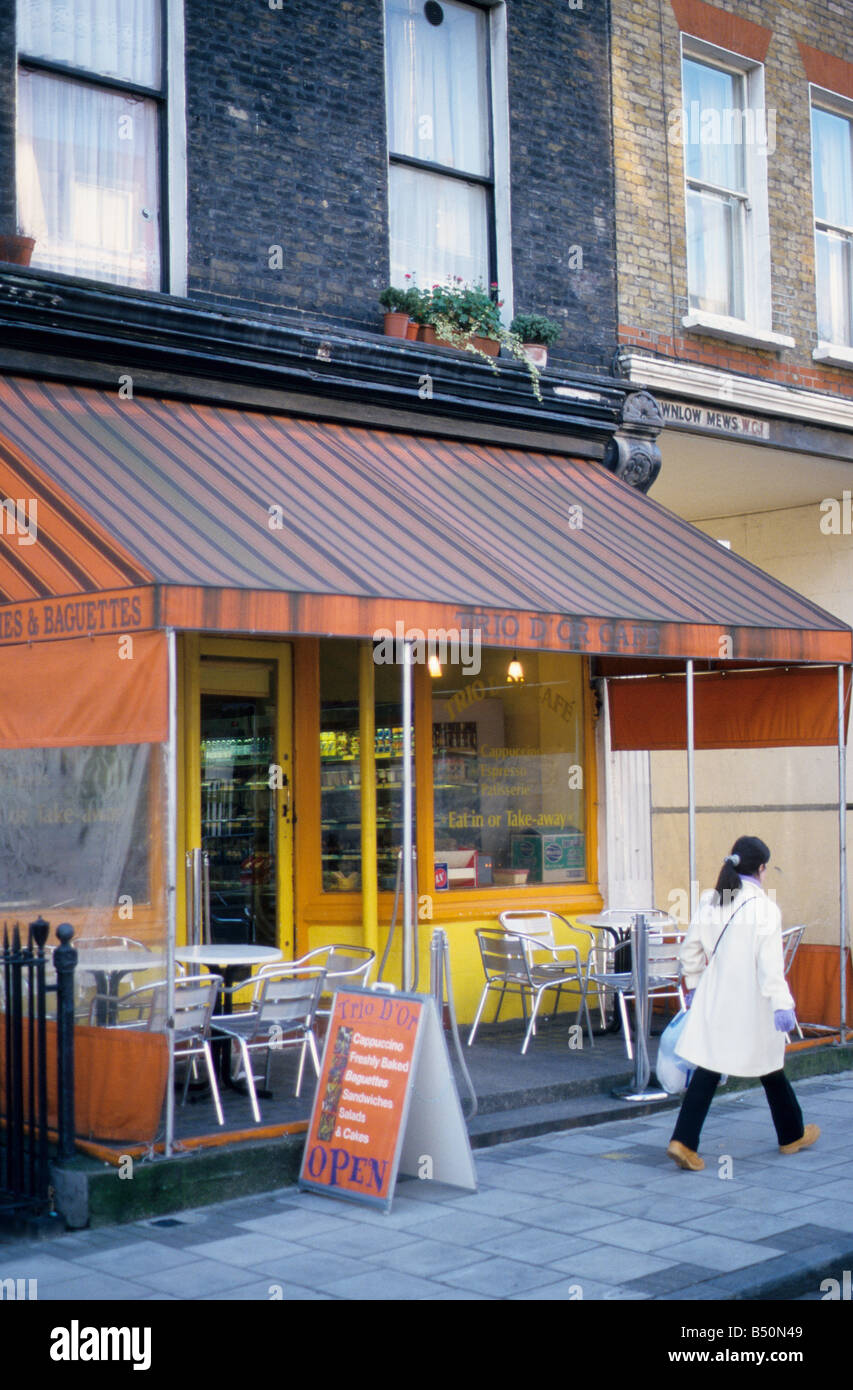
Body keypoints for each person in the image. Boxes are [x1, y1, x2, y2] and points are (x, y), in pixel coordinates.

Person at [667, 834, 819, 1171]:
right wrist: (782, 1004)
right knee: (769, 1067)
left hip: (713, 1001)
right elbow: (770, 966)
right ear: (761, 868)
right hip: (752, 1006)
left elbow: (690, 949)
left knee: (708, 1068)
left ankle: (683, 1141)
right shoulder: (765, 909)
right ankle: (791, 1135)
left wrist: (692, 985)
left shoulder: (710, 900)